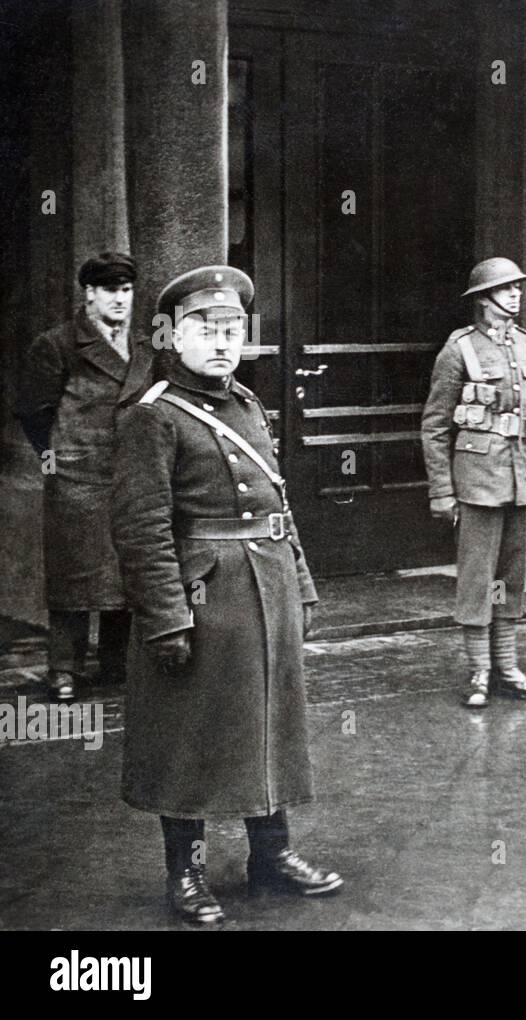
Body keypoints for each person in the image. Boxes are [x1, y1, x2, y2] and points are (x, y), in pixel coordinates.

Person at [111, 266, 341, 926]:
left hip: (265, 587)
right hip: (202, 595)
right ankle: (183, 872)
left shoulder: (247, 405)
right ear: (172, 336)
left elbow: (278, 502)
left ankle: (272, 853)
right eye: (204, 330)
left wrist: (300, 583)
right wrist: (165, 617)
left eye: (232, 330)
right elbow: (141, 526)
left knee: (268, 723)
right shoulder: (151, 416)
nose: (220, 343)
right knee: (186, 736)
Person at [16, 252, 155, 701]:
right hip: (78, 478)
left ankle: (116, 664)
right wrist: (60, 460)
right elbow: (34, 413)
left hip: (130, 477)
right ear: (89, 294)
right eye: (111, 290)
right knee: (74, 575)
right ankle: (64, 671)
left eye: (127, 290)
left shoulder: (143, 346)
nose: (120, 299)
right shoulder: (57, 345)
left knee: (125, 570)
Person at [421, 258, 526, 708]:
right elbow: (436, 425)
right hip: (478, 481)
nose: (516, 295)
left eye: (519, 287)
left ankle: (508, 668)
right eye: (506, 289)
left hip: (522, 478)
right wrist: (441, 490)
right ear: (483, 299)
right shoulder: (460, 349)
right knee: (479, 579)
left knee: (510, 580)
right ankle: (480, 671)